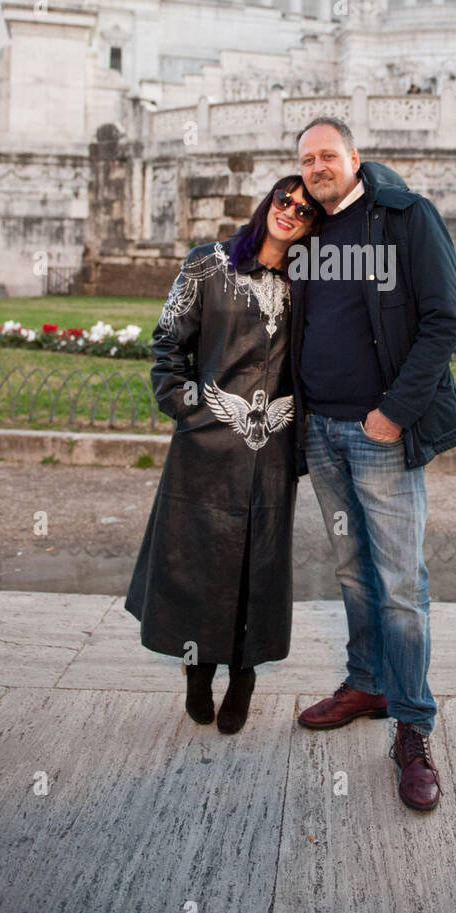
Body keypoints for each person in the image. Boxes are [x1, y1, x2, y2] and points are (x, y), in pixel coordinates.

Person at [290, 117, 456, 811]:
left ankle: (412, 727)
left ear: (354, 159)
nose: (317, 166)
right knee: (350, 570)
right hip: (321, 433)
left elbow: (443, 320)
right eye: (306, 158)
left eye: (327, 155)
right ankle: (365, 683)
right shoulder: (307, 229)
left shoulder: (404, 217)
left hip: (378, 434)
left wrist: (392, 412)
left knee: (398, 583)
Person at [125, 176, 320, 733]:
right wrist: (189, 410)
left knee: (259, 563)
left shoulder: (309, 281)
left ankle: (244, 674)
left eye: (305, 210)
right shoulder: (208, 264)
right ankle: (196, 670)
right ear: (269, 203)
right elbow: (167, 343)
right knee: (198, 561)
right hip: (206, 446)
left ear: (312, 224)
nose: (291, 212)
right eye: (285, 200)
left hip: (273, 446)